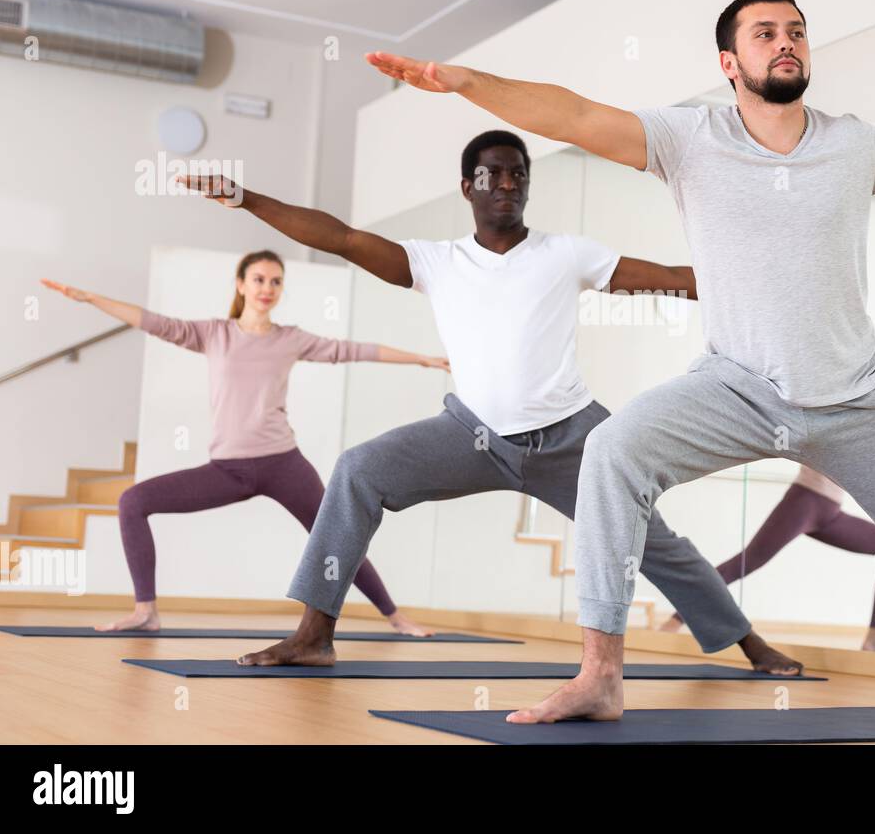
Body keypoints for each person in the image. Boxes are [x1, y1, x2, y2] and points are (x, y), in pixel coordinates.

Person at [363, 0, 875, 725]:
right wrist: (468, 82)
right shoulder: (688, 138)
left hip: (852, 396)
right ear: (729, 63)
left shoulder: (855, 145)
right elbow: (570, 113)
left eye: (797, 32)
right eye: (766, 33)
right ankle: (600, 675)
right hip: (734, 387)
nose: (787, 43)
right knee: (612, 452)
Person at [178, 130, 804, 675]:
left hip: (572, 440)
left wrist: (758, 285)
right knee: (358, 471)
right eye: (492, 174)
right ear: (467, 187)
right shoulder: (436, 261)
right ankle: (313, 636)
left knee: (650, 538)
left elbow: (670, 280)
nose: (506, 183)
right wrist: (246, 198)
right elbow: (339, 237)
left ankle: (747, 642)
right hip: (470, 435)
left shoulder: (567, 254)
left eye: (517, 175)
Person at [40, 251, 447, 634]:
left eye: (275, 281)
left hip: (284, 465)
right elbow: (155, 323)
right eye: (258, 279)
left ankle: (394, 617)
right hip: (227, 469)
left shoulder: (290, 338)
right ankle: (145, 611)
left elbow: (351, 350)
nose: (266, 287)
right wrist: (92, 298)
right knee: (132, 502)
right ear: (240, 284)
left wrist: (423, 359)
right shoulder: (213, 334)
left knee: (337, 534)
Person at [660, 386, 875, 652]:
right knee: (748, 562)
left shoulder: (862, 412)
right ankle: (676, 619)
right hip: (804, 502)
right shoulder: (819, 409)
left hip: (830, 512)